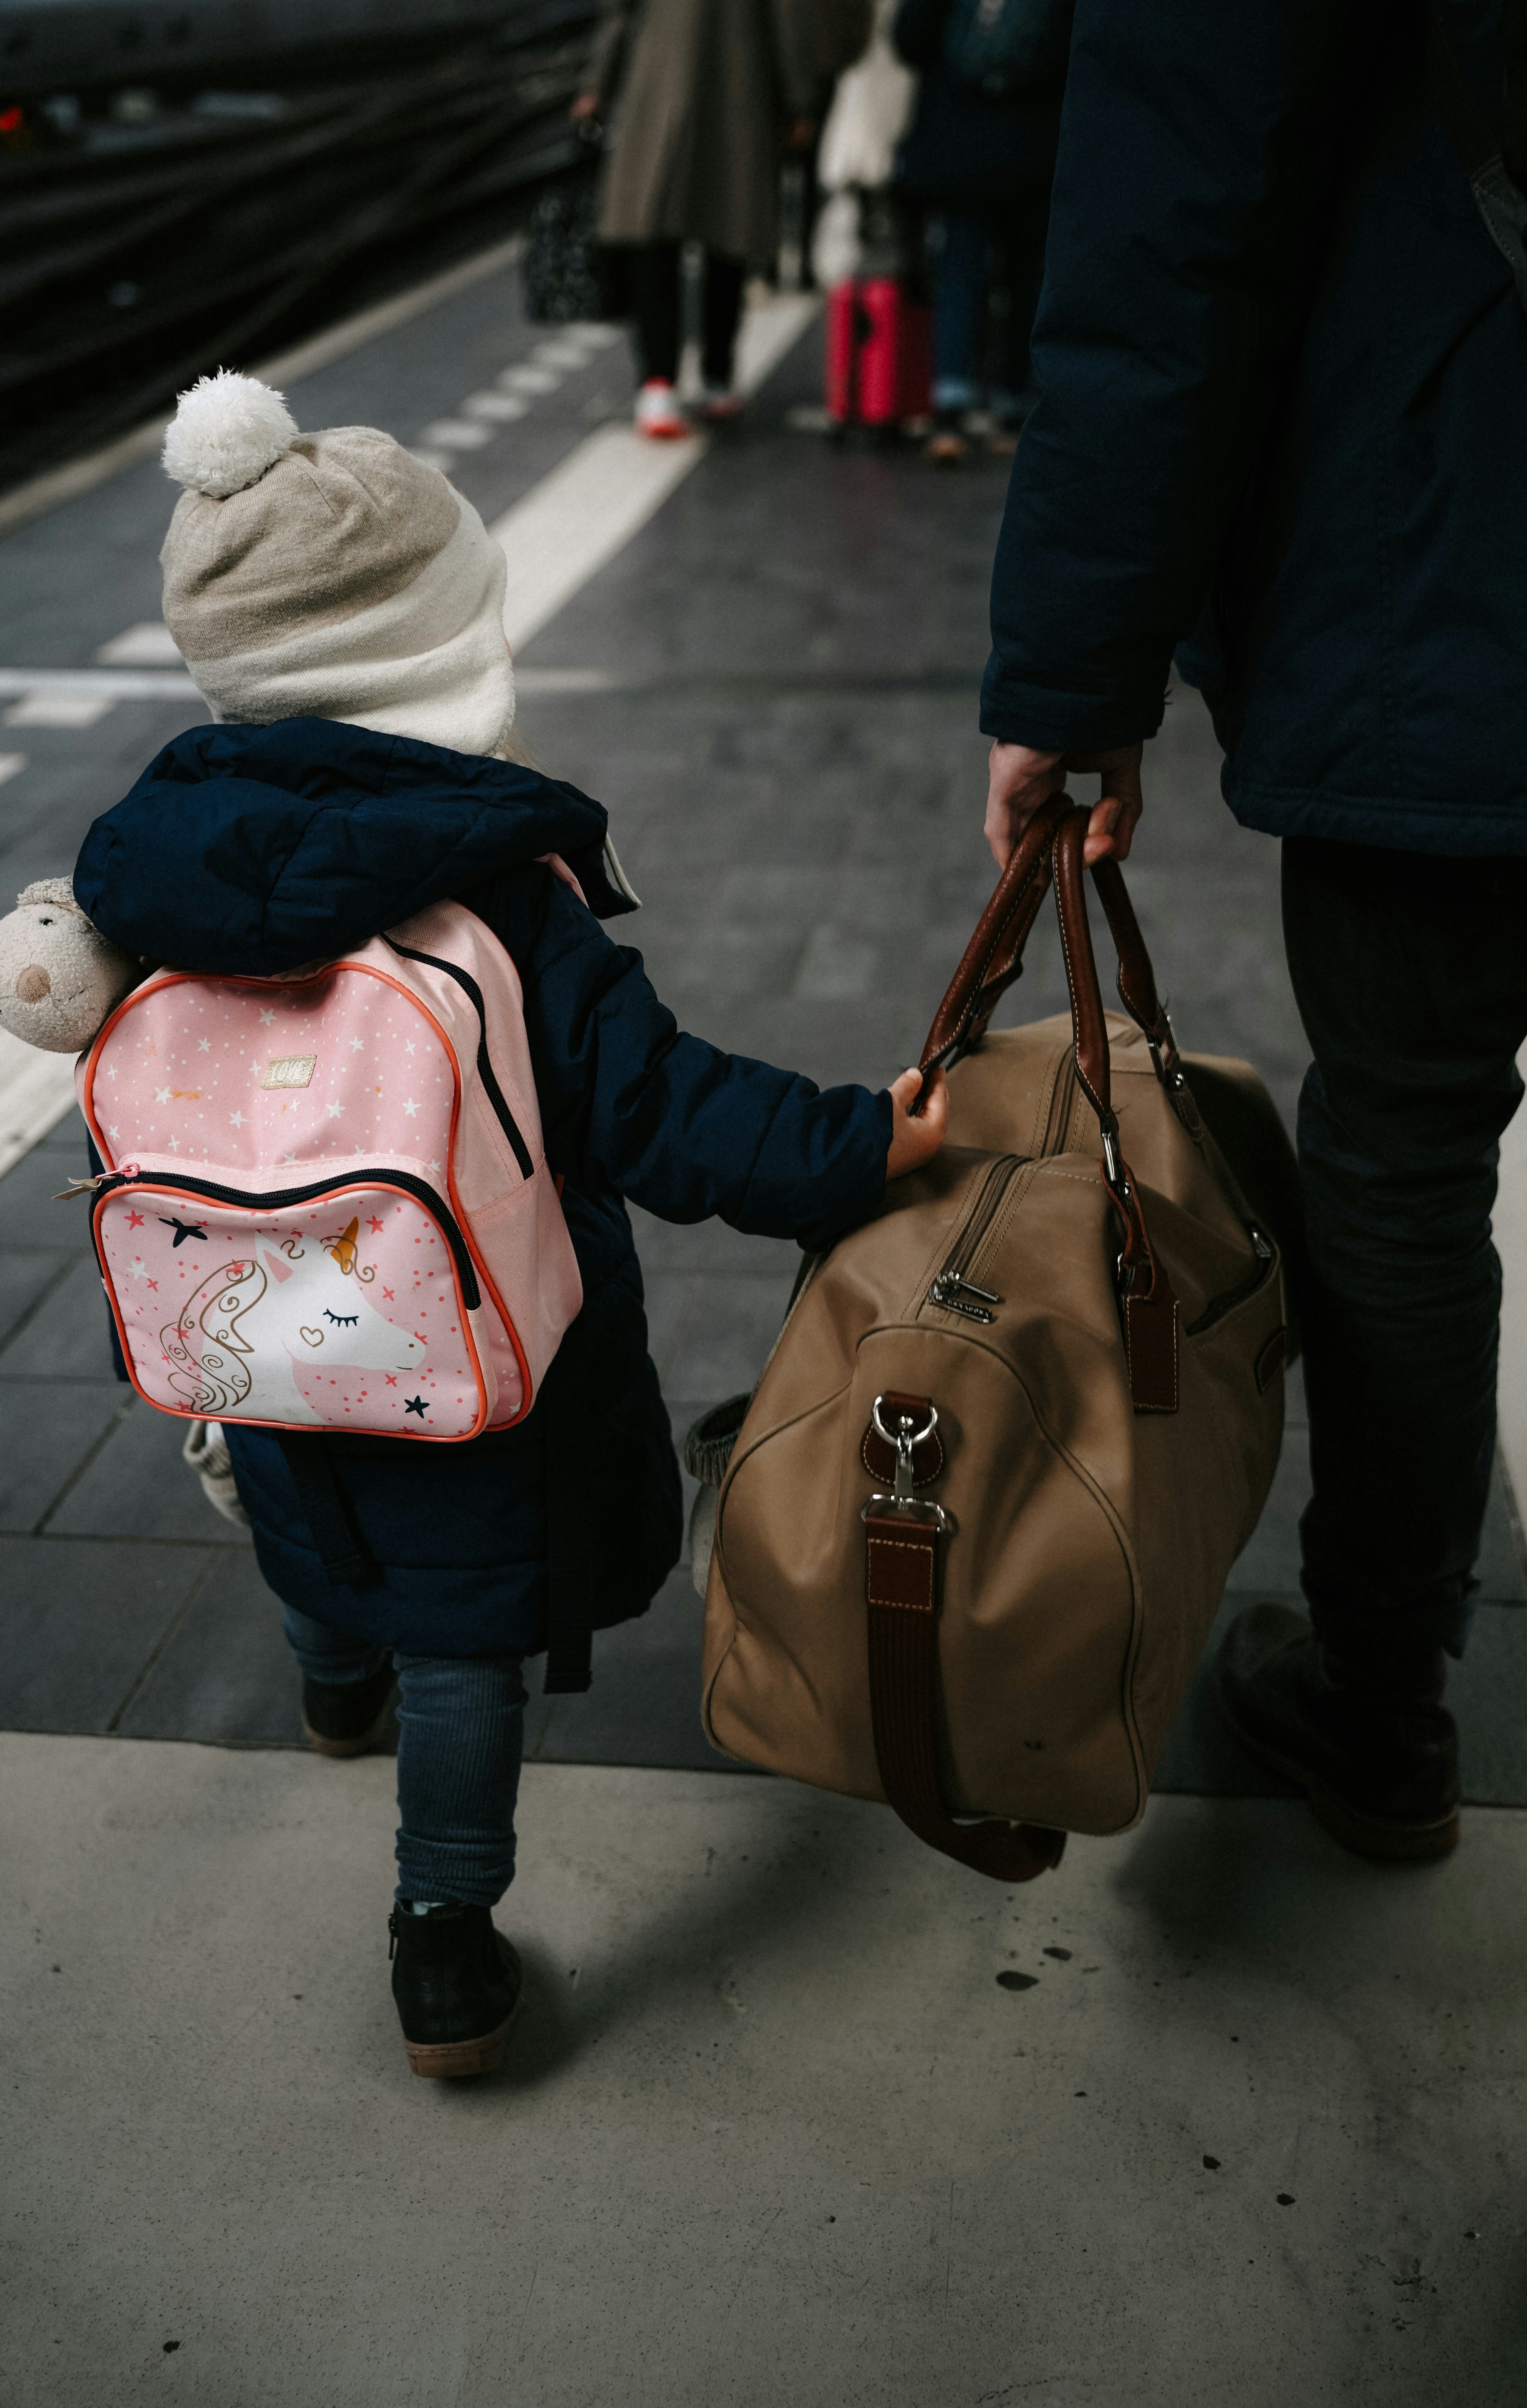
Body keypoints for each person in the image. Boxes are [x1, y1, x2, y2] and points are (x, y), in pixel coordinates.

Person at [74, 370, 949, 2079]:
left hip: (256, 1331)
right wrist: (864, 1144)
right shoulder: (494, 888)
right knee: (466, 1642)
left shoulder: (157, 862)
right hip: (458, 1351)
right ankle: (445, 1940)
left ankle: (333, 1689)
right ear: (439, 645)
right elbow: (666, 1111)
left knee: (310, 1522)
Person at [977, 0, 1527, 2205]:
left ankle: (1380, 1698)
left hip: (1474, 518)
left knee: (1402, 1158)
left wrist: (1073, 670)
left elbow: (1176, 203)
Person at [573, 0, 824, 438]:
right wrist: (798, 99)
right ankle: (716, 377)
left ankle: (658, 384)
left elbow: (619, 12)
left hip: (656, 88)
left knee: (652, 236)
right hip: (736, 92)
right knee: (729, 236)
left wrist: (597, 83)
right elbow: (788, 21)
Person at [891, 0, 1071, 462]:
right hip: (1034, 140)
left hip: (961, 142)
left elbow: (908, 40)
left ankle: (949, 406)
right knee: (1027, 275)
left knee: (959, 272)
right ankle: (1014, 403)